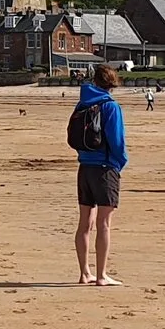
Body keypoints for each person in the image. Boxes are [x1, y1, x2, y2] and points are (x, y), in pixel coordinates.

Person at [69, 64, 128, 286]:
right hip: (105, 168)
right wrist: (120, 162)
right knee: (104, 223)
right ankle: (101, 275)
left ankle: (85, 273)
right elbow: (117, 141)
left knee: (85, 223)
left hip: (84, 167)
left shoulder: (82, 103)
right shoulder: (110, 106)